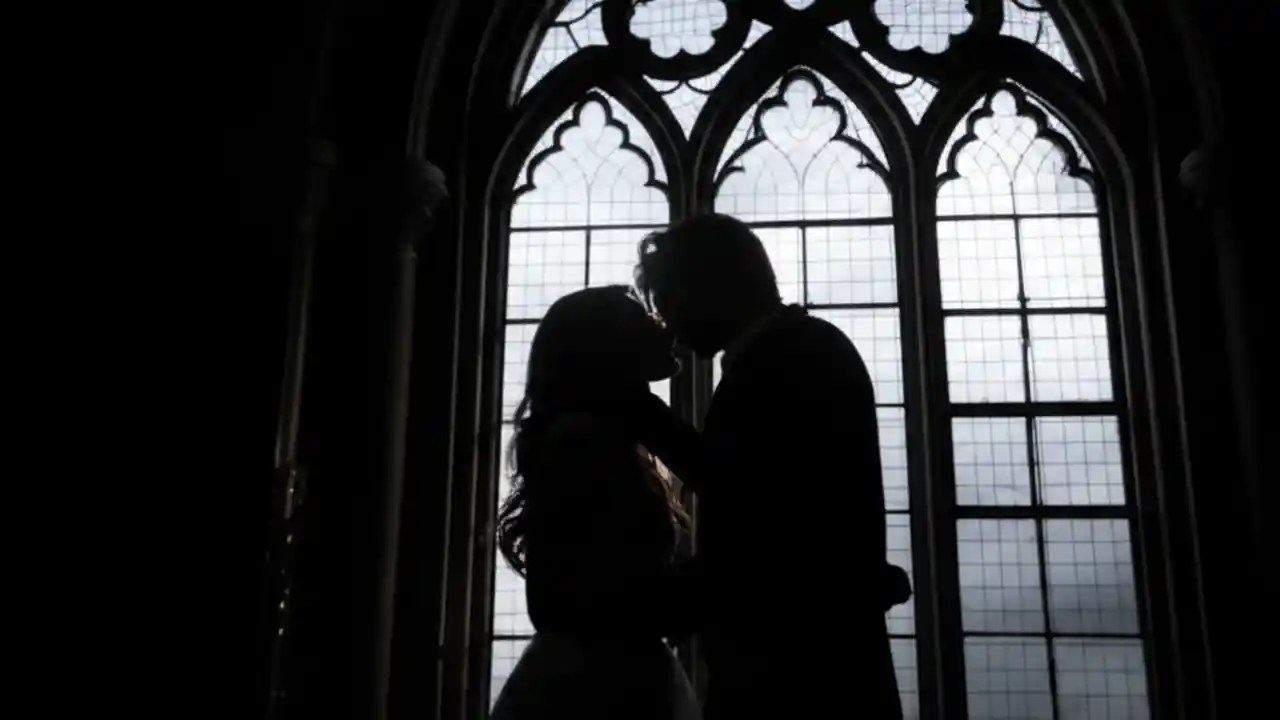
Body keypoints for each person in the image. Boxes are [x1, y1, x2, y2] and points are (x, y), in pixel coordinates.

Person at [630, 213, 909, 719]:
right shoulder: (801, 350)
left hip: (792, 678)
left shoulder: (787, 359)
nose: (668, 322)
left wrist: (637, 409)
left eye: (669, 298)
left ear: (709, 285)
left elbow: (760, 513)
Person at [489, 285, 702, 720]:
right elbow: (601, 597)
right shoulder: (584, 442)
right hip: (600, 689)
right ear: (609, 347)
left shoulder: (599, 436)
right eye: (641, 320)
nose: (661, 327)